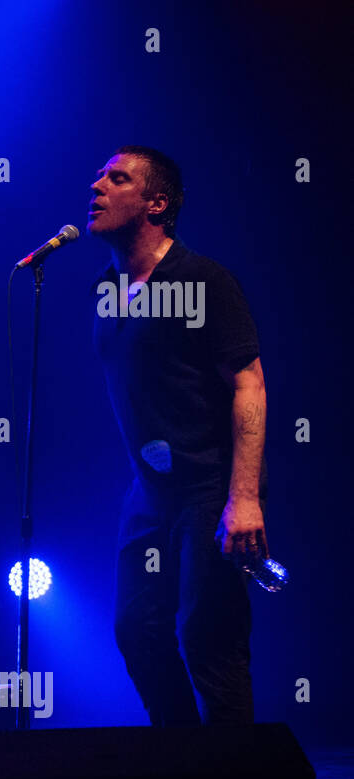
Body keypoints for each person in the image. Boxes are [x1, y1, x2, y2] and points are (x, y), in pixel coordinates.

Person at [89, 146, 267, 726]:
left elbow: (249, 384)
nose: (98, 186)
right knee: (137, 631)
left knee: (206, 639)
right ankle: (181, 761)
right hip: (148, 495)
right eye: (99, 177)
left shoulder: (203, 280)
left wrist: (244, 498)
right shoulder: (107, 289)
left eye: (117, 179)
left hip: (209, 489)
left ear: (156, 203)